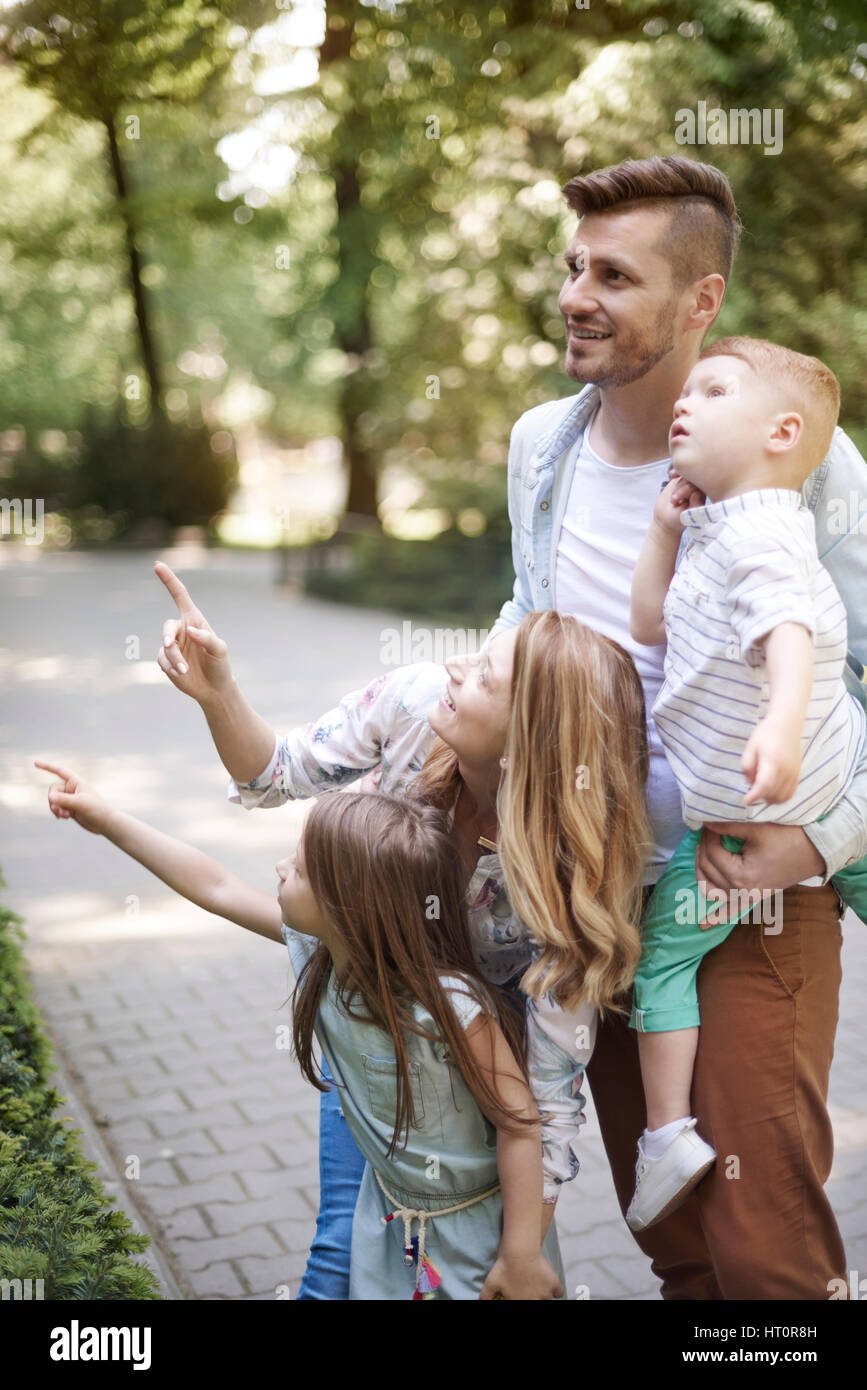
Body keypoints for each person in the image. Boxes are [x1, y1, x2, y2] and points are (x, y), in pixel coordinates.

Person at [490, 154, 867, 1298]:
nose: (575, 295)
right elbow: (534, 628)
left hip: (748, 896)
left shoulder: (806, 464)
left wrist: (827, 833)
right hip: (591, 903)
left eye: (613, 273)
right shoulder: (539, 449)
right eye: (572, 268)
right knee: (684, 1246)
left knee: (765, 1255)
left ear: (699, 302)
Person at [153, 579, 652, 1298]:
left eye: (485, 676)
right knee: (336, 1253)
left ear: (531, 740)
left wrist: (521, 1253)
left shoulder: (573, 872)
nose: (456, 669)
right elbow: (270, 776)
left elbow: (547, 1097)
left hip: (476, 1080)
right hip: (369, 1029)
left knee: (464, 1264)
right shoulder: (415, 706)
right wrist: (218, 692)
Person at [35, 761, 567, 1300]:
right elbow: (216, 886)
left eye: (302, 870)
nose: (280, 867)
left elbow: (521, 1125)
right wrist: (109, 821)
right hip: (390, 1226)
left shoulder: (455, 1009)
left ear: (353, 909)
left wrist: (520, 1253)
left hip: (480, 1238)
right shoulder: (324, 957)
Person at [626, 337, 867, 1233]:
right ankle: (669, 1137)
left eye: (712, 389)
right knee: (671, 952)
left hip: (778, 802)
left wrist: (777, 722)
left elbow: (788, 632)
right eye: (686, 390)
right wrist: (662, 530)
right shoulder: (717, 526)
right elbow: (646, 623)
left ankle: (664, 1133)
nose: (683, 403)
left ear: (781, 432)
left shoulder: (764, 526)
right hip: (761, 814)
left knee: (661, 961)